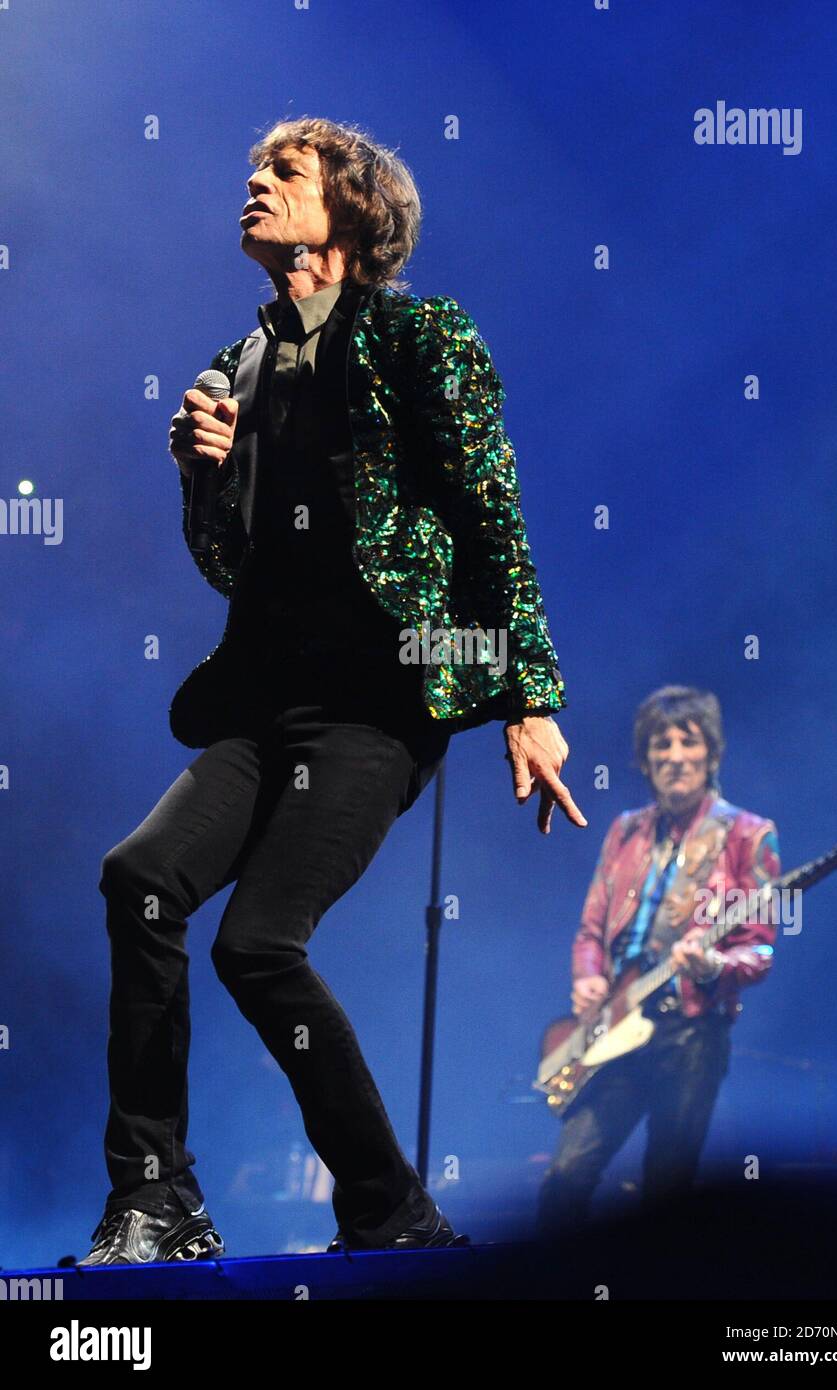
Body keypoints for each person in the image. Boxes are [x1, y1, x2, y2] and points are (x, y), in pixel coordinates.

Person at [82, 116, 585, 1265]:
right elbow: (229, 563)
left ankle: (389, 1211)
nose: (254, 185)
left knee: (258, 943)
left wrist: (526, 697)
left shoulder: (421, 339)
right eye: (251, 169)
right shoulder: (241, 365)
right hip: (263, 703)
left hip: (377, 702)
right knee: (143, 879)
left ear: (351, 208)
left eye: (284, 172)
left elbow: (488, 519)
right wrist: (198, 480)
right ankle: (159, 1197)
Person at [537, 685, 779, 1231]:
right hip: (616, 1028)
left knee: (665, 1195)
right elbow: (590, 930)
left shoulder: (747, 835)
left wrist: (713, 966)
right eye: (660, 744)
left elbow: (760, 949)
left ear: (711, 753)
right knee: (564, 1179)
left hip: (691, 1032)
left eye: (687, 742)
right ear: (645, 759)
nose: (673, 755)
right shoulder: (625, 831)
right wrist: (588, 980)